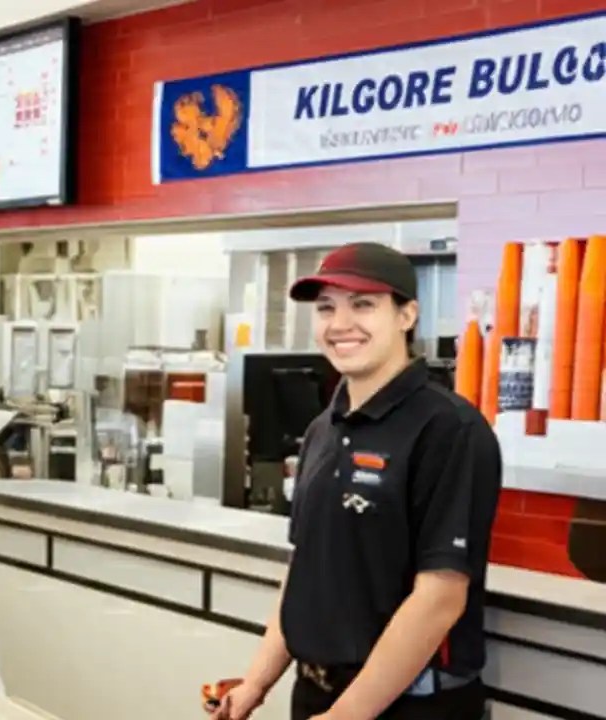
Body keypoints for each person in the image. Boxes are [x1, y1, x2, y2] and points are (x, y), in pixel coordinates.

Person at [213, 242, 500, 720]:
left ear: (407, 315)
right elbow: (306, 569)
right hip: (316, 695)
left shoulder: (450, 429)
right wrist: (257, 682)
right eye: (326, 308)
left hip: (410, 707)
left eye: (363, 305)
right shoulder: (323, 429)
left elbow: (440, 598)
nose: (340, 324)